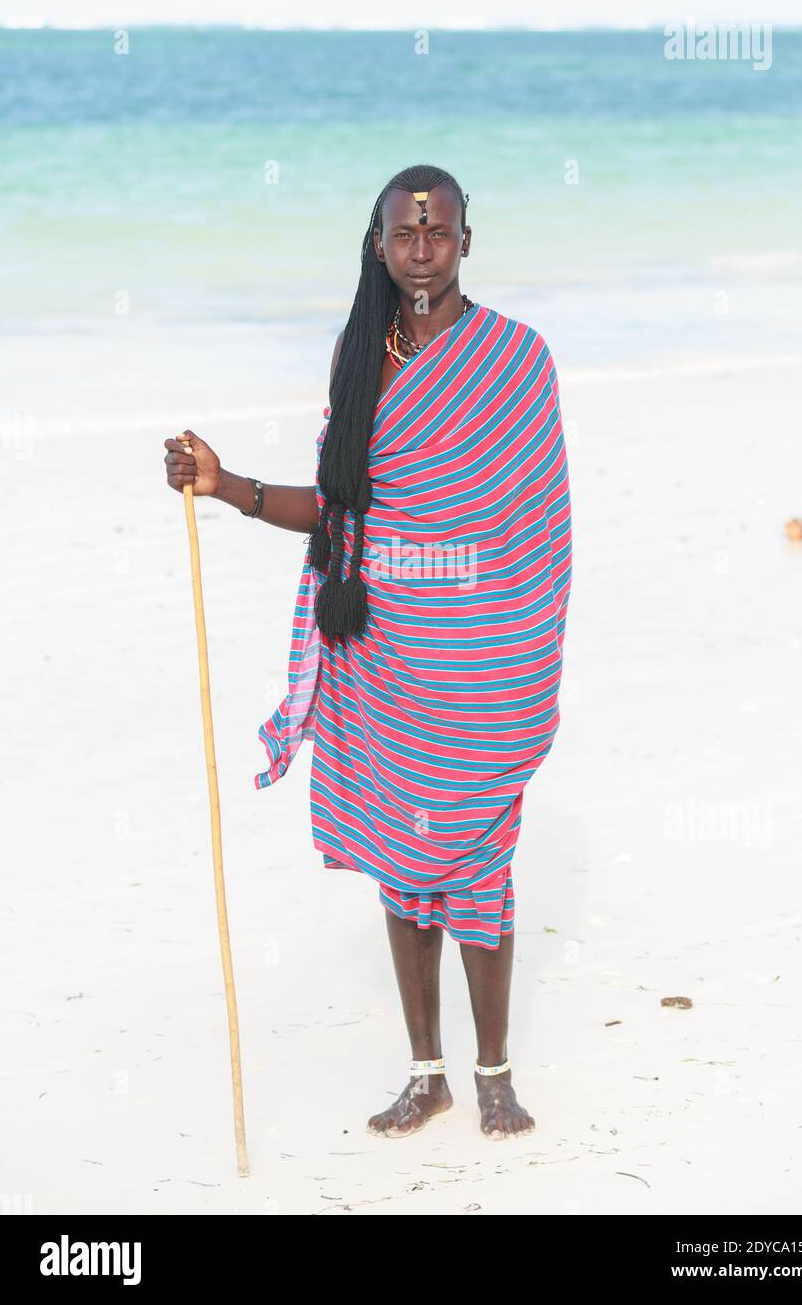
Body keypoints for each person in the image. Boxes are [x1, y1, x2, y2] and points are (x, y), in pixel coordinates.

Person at [164, 164, 572, 1140]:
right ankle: (426, 1072)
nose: (419, 249)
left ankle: (495, 1072)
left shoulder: (516, 359)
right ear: (379, 245)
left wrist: (512, 638)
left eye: (435, 234)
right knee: (403, 864)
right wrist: (227, 485)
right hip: (384, 656)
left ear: (466, 241)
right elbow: (336, 510)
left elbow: (537, 527)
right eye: (401, 234)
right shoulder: (364, 358)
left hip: (479, 661)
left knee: (479, 856)